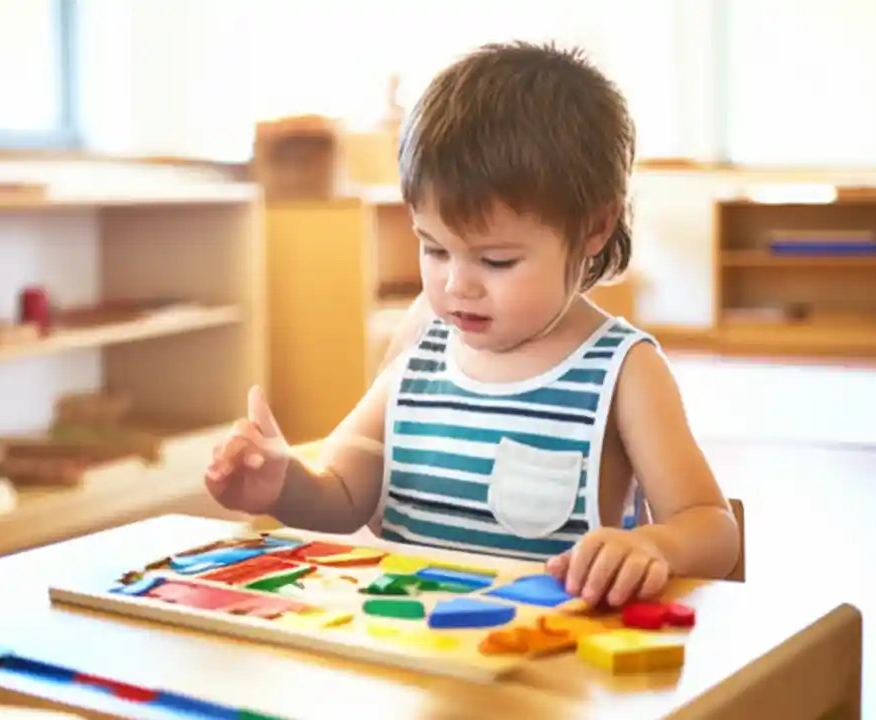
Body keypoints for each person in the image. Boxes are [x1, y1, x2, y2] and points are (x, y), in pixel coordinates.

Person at [205, 41, 739, 609]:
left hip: (558, 667)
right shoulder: (423, 339)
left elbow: (712, 526)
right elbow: (341, 495)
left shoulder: (622, 370)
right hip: (416, 656)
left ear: (595, 227)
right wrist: (283, 483)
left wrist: (655, 546)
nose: (458, 285)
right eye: (434, 249)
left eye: (496, 261)